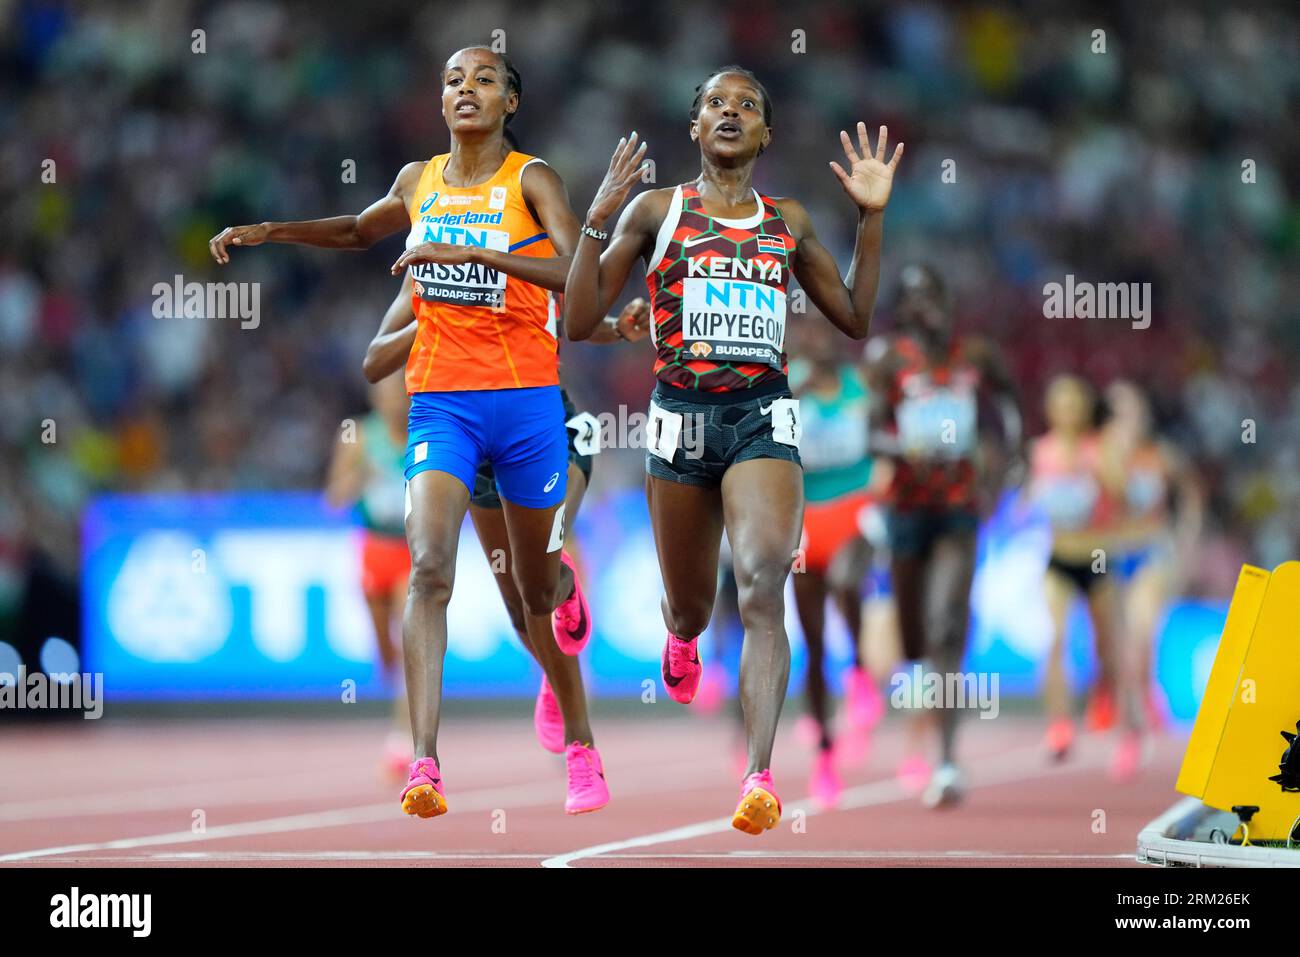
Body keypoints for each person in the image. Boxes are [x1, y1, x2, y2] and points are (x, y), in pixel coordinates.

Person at [210, 46, 603, 817]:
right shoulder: (416, 180)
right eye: (454, 79)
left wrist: (470, 252)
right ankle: (425, 762)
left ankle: (582, 737)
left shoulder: (531, 178)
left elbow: (578, 270)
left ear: (510, 103)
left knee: (531, 591)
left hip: (527, 403)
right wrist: (268, 231)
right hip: (444, 405)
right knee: (429, 567)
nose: (466, 90)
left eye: (485, 80)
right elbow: (360, 231)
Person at [564, 65, 903, 834]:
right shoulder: (658, 211)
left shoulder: (788, 221)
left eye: (747, 105)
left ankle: (758, 773)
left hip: (762, 421)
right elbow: (580, 319)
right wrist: (596, 219)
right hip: (678, 423)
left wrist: (870, 220)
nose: (730, 112)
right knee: (690, 604)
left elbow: (851, 316)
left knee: (761, 583)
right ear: (694, 127)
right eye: (715, 102)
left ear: (765, 132)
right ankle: (682, 638)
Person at [363, 276, 649, 761]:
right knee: (521, 606)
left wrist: (616, 329)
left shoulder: (535, 258)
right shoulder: (440, 265)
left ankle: (565, 611)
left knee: (542, 572)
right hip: (477, 445)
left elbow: (573, 322)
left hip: (545, 426)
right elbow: (375, 357)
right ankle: (555, 677)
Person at [866, 263, 1021, 808]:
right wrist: (900, 448)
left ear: (948, 304)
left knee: (945, 624)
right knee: (914, 640)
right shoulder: (888, 362)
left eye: (933, 297)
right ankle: (924, 720)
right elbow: (865, 432)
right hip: (907, 509)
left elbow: (1009, 411)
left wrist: (1004, 476)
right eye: (914, 300)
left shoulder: (974, 358)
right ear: (903, 312)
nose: (926, 308)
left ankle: (948, 759)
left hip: (959, 508)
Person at [788, 316, 885, 807]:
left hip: (855, 508)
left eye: (826, 335)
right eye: (807, 336)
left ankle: (862, 671)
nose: (817, 344)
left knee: (849, 580)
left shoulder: (860, 387)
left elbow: (886, 439)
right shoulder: (787, 385)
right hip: (807, 517)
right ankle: (826, 755)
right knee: (813, 643)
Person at [1097, 380, 1203, 779]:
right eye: (1120, 412)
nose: (1129, 419)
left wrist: (1187, 536)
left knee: (1141, 636)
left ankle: (1139, 712)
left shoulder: (1162, 456)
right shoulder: (1101, 452)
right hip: (1110, 555)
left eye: (1135, 411)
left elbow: (1192, 494)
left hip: (1152, 552)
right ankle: (1131, 722)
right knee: (1118, 648)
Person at [1025, 374, 1118, 762]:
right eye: (1060, 404)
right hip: (1059, 558)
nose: (1068, 411)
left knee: (1104, 643)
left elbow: (1121, 496)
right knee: (1055, 639)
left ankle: (1103, 691)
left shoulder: (1101, 449)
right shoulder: (1040, 451)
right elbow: (1029, 499)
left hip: (1096, 558)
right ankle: (1059, 724)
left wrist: (1098, 473)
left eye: (1074, 403)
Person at [324, 371, 413, 778]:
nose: (394, 401)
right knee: (385, 650)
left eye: (401, 394)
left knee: (412, 638)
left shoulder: (423, 432)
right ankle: (405, 693)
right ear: (376, 399)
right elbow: (333, 498)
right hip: (373, 549)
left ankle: (402, 738)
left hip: (412, 551)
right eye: (387, 395)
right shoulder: (359, 437)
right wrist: (362, 477)